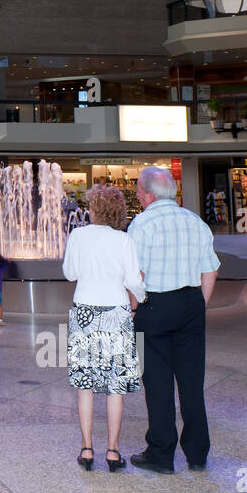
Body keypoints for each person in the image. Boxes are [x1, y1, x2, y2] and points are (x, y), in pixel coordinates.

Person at [126, 166, 220, 475]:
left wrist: (134, 309)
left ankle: (161, 454)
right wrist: (198, 304)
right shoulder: (195, 221)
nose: (138, 196)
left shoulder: (142, 224)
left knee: (157, 382)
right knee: (192, 382)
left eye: (139, 190)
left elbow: (136, 276)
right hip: (191, 302)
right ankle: (197, 454)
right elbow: (210, 269)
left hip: (155, 306)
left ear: (150, 193)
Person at [62, 183, 146, 473]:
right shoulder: (123, 240)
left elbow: (69, 273)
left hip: (84, 312)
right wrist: (142, 299)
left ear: (93, 209)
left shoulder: (77, 235)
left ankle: (86, 449)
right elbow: (134, 280)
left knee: (84, 386)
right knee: (115, 387)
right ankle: (113, 451)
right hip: (116, 312)